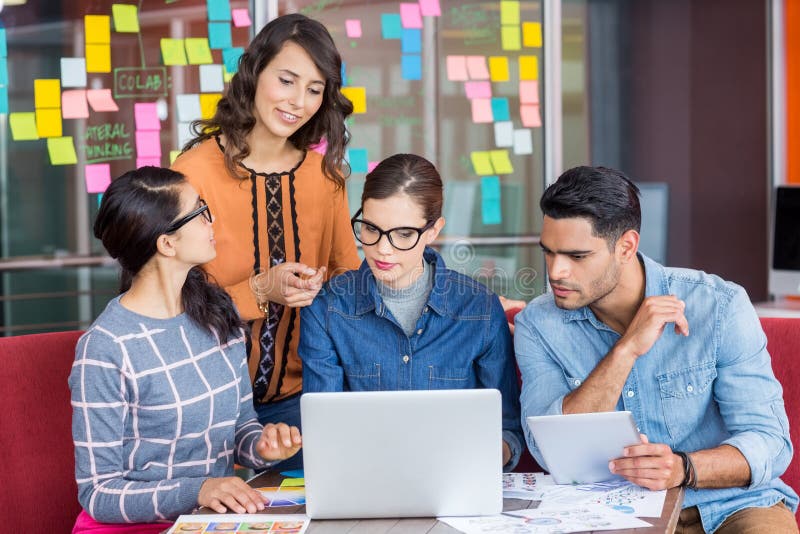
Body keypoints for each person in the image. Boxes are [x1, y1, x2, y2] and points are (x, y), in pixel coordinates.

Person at [515, 166, 798, 532]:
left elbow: (770, 442)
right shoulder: (539, 325)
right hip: (612, 513)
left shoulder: (719, 305)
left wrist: (683, 468)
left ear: (626, 247)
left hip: (732, 505)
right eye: (549, 253)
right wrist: (626, 350)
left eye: (577, 256)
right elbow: (550, 450)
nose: (556, 272)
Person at [171, 13, 361, 464]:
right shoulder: (191, 173)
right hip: (204, 405)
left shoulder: (327, 178)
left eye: (314, 89)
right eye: (287, 80)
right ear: (255, 73)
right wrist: (259, 289)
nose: (298, 101)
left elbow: (348, 279)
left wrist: (324, 290)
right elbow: (167, 300)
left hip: (298, 404)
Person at [69, 167, 302, 530]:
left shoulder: (217, 314)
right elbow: (98, 494)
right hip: (137, 526)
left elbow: (240, 426)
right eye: (199, 211)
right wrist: (199, 490)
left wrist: (261, 447)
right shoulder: (105, 348)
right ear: (167, 244)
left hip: (208, 521)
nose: (212, 220)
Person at [298, 154, 524, 470]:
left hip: (453, 478)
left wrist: (486, 455)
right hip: (363, 477)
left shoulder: (481, 310)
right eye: (370, 229)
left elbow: (508, 429)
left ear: (434, 230)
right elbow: (323, 430)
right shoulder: (326, 309)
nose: (382, 249)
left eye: (403, 234)